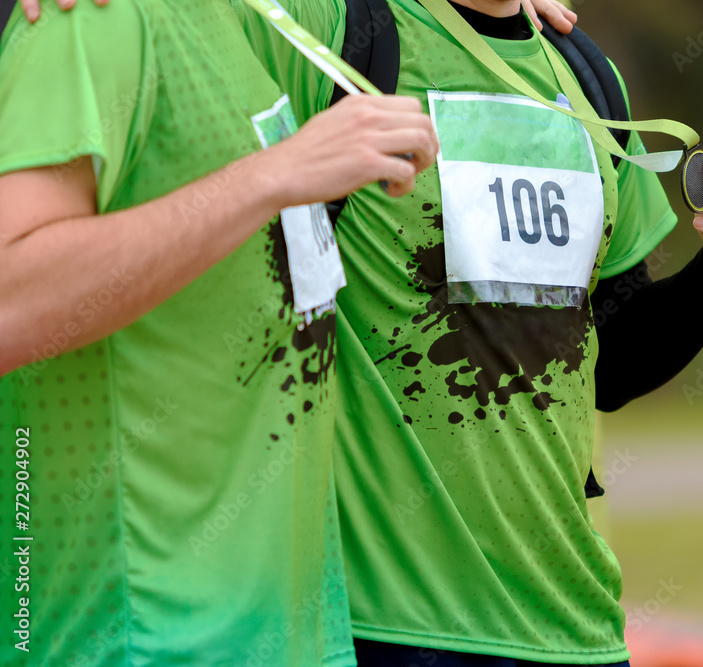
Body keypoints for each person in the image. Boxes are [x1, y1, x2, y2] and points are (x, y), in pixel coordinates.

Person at [229, 1, 703, 665]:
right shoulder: (334, 30)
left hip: (575, 625)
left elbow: (606, 366)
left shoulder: (585, 74)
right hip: (385, 626)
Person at [0, 1, 438, 664]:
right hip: (143, 639)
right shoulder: (93, 18)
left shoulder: (255, 26)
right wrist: (270, 177)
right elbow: (11, 302)